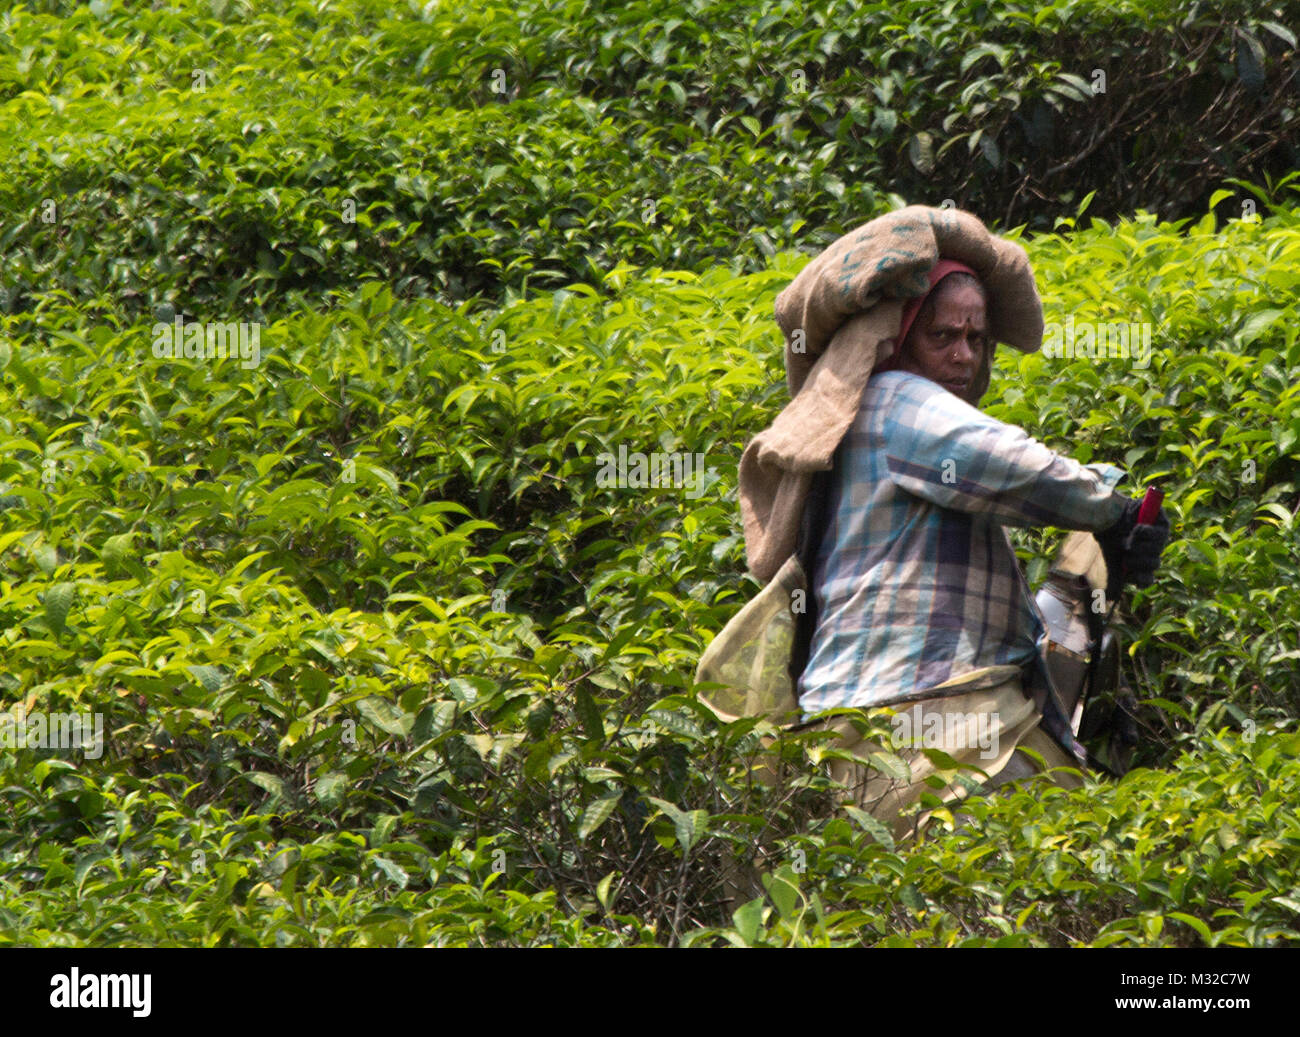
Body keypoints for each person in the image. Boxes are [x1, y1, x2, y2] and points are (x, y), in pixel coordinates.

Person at [792, 258, 1170, 839]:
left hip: (869, 731)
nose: (964, 355)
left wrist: (1111, 536)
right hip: (909, 719)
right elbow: (1016, 469)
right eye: (941, 335)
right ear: (899, 338)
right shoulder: (893, 397)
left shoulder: (878, 417)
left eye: (976, 338)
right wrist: (1113, 509)